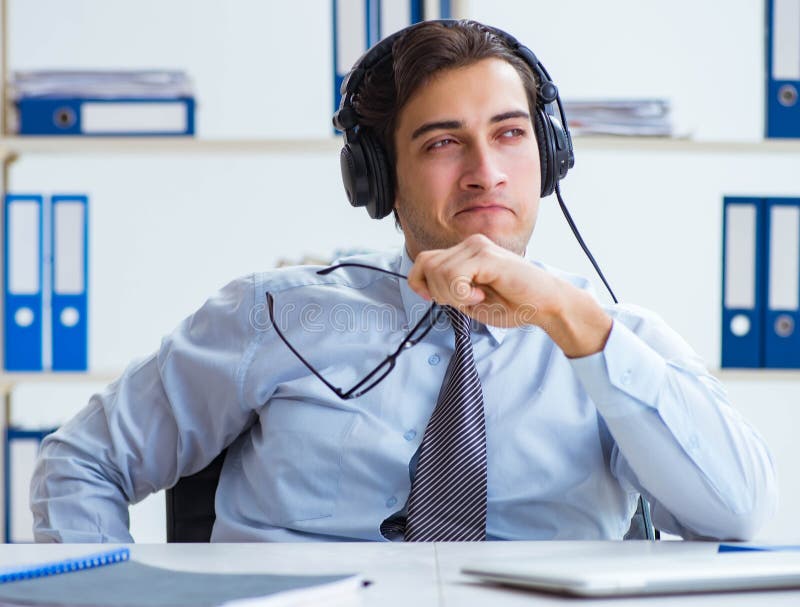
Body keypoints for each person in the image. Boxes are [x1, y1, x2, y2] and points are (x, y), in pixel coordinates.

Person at [31, 20, 776, 543]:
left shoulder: (608, 335)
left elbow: (737, 510)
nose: (486, 169)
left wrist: (567, 316)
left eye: (511, 134)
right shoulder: (275, 316)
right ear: (378, 177)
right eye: (444, 142)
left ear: (548, 156)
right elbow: (80, 461)